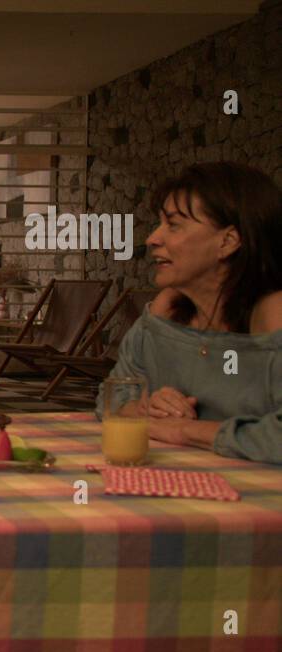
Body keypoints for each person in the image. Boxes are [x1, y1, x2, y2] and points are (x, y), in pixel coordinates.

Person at [99, 161, 282, 463]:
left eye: (173, 225)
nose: (152, 238)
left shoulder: (273, 314)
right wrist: (144, 408)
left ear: (228, 241)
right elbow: (112, 397)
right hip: (185, 487)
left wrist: (186, 431)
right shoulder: (165, 313)